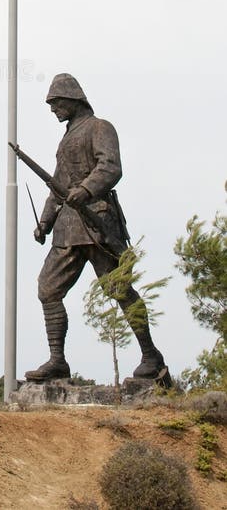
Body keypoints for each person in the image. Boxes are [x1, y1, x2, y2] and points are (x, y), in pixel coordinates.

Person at [15, 73, 168, 383]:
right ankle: (57, 360)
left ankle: (150, 355)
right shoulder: (65, 140)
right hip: (68, 229)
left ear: (72, 98)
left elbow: (110, 166)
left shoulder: (100, 127)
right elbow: (57, 187)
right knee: (48, 288)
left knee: (119, 289)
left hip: (97, 221)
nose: (53, 110)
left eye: (56, 103)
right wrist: (44, 223)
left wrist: (84, 190)